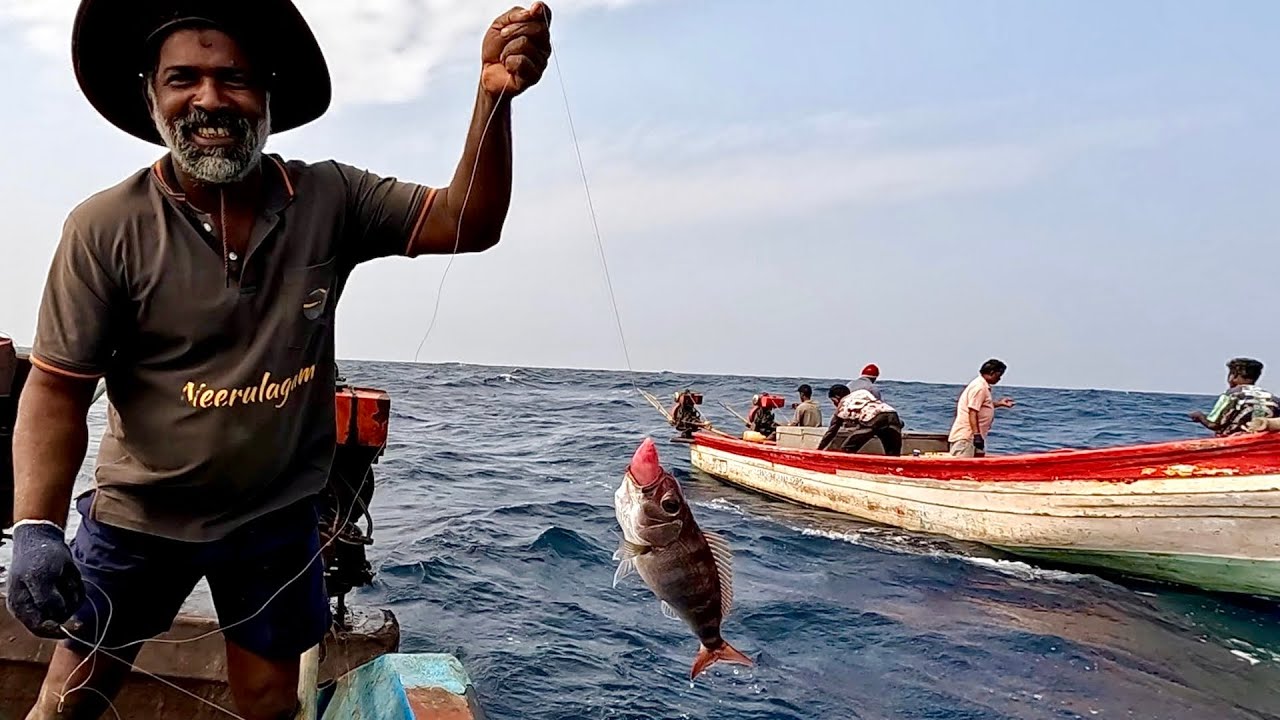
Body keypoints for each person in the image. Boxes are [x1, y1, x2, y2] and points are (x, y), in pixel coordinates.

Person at [5, 2, 553, 718]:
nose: (209, 99)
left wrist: (492, 100)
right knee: (68, 699)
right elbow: (56, 389)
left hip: (274, 517)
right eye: (183, 79)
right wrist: (37, 527)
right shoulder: (104, 227)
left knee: (269, 703)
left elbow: (466, 222)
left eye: (234, 78)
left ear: (267, 95)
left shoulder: (331, 197)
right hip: (140, 514)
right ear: (152, 96)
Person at [1190, 358, 1279, 436]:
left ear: (1234, 375)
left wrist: (1199, 416)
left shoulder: (1232, 394)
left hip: (1233, 439)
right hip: (1262, 439)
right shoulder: (1273, 398)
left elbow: (1214, 425)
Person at [948, 359, 1015, 457]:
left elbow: (980, 406)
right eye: (999, 375)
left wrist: (1000, 404)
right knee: (964, 465)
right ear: (992, 372)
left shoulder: (981, 385)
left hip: (973, 438)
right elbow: (972, 411)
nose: (999, 378)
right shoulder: (979, 387)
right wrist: (976, 435)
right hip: (967, 438)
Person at [818, 384, 904, 455]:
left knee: (848, 448)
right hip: (893, 415)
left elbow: (831, 432)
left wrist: (819, 450)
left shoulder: (842, 405)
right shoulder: (863, 393)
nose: (834, 404)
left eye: (833, 401)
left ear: (837, 397)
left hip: (873, 420)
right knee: (893, 453)